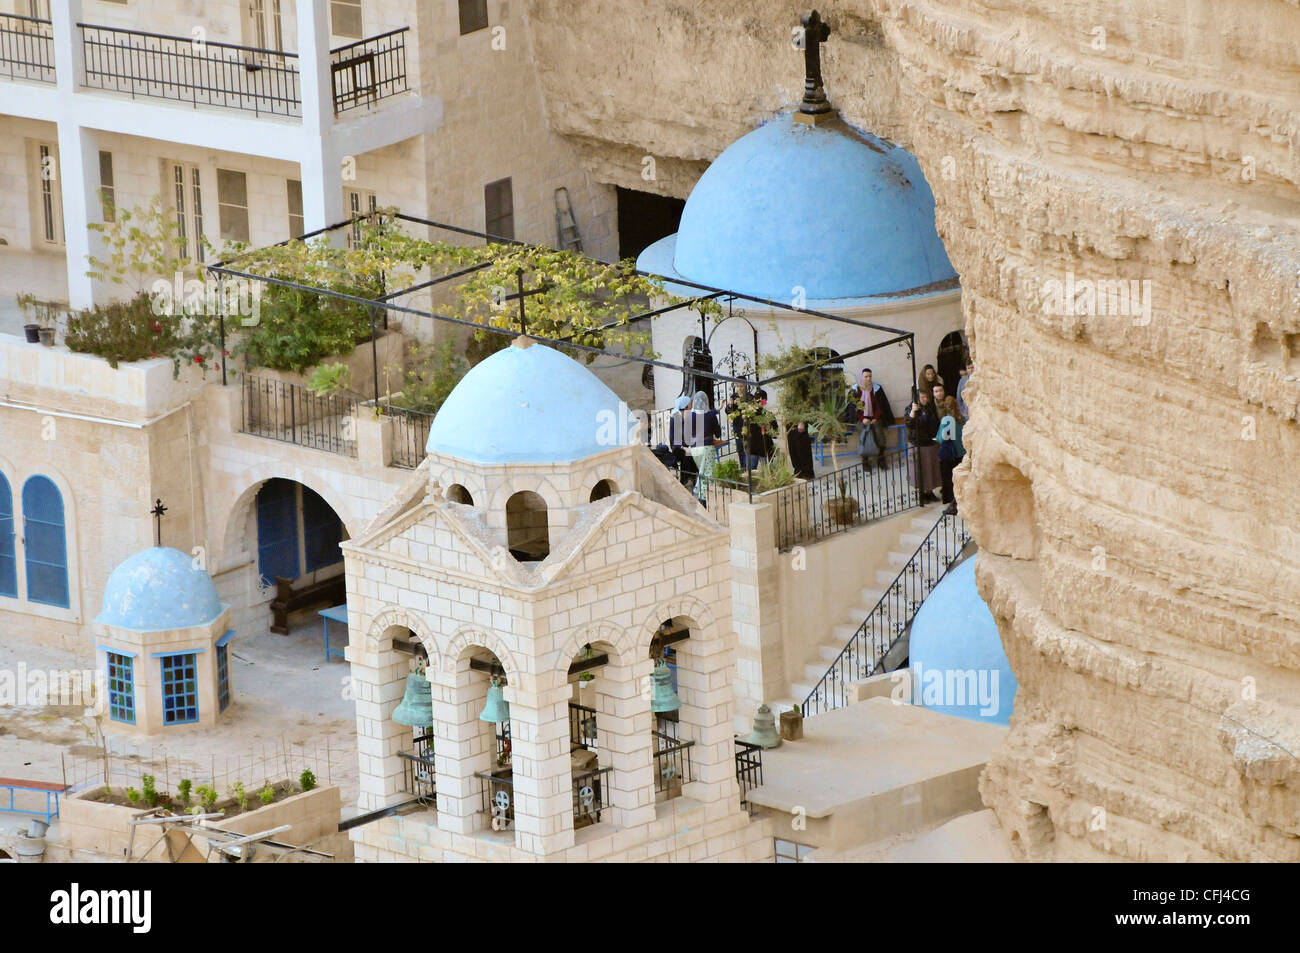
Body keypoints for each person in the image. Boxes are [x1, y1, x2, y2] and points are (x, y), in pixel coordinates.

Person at [850, 367, 895, 472]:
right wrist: (862, 419)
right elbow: (853, 407)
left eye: (870, 376)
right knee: (864, 434)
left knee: (879, 432)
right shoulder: (855, 390)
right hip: (860, 419)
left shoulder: (876, 388)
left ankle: (881, 458)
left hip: (875, 417)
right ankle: (865, 461)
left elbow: (881, 406)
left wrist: (875, 418)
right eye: (866, 376)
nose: (868, 378)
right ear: (862, 377)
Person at [685, 390, 724, 503]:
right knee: (708, 474)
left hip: (695, 449)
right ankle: (705, 500)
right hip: (707, 447)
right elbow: (718, 433)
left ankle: (700, 495)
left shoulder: (689, 416)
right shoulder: (710, 415)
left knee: (701, 472)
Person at [906, 387, 942, 504]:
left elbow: (935, 422)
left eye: (926, 397)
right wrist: (913, 412)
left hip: (929, 442)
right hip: (918, 443)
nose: (925, 399)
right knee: (919, 470)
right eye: (922, 397)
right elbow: (909, 424)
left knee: (930, 469)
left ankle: (929, 491)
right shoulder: (910, 408)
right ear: (917, 398)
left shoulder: (930, 408)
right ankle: (921, 493)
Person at [936, 412, 962, 515]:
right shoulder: (961, 417)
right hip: (961, 453)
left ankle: (952, 505)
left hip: (950, 455)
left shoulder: (948, 419)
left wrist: (937, 438)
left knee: (949, 480)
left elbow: (943, 437)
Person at [667, 394, 695, 487]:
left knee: (696, 451)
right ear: (685, 406)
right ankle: (685, 480)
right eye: (690, 404)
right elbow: (673, 438)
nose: (692, 405)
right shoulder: (675, 418)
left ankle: (693, 477)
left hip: (687, 444)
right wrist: (684, 446)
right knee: (686, 454)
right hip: (677, 446)